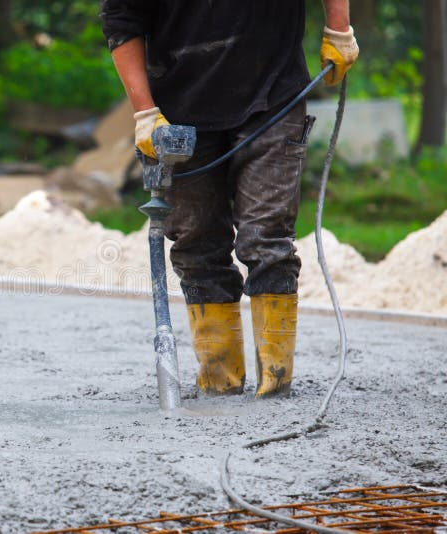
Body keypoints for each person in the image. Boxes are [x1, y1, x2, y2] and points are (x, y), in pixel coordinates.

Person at [100, 1, 358, 398]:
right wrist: (144, 113)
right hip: (177, 109)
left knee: (266, 235)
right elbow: (122, 18)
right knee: (196, 243)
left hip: (272, 95)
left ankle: (275, 386)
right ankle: (219, 382)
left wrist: (338, 27)